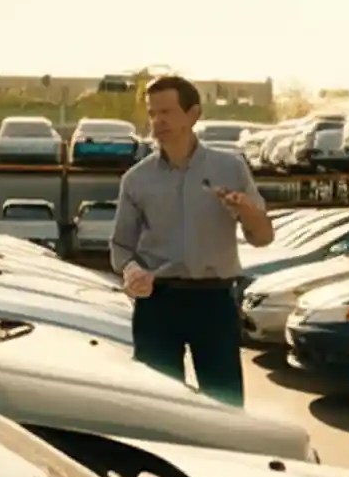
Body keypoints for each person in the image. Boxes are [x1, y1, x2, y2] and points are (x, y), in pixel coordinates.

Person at [109, 75, 273, 407]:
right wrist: (131, 271)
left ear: (193, 114)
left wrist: (247, 211)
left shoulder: (230, 168)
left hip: (213, 302)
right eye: (152, 113)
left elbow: (262, 237)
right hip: (158, 303)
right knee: (158, 406)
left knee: (225, 406)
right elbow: (121, 247)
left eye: (167, 112)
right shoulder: (136, 179)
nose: (158, 121)